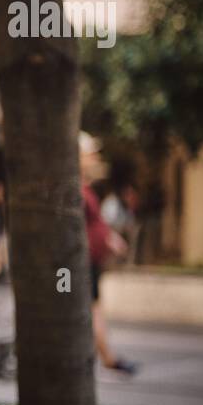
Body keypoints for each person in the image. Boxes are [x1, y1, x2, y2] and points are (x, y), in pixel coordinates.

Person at [80, 134, 138, 376]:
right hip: (80, 263)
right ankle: (107, 358)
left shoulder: (83, 187)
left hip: (88, 261)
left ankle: (104, 356)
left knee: (92, 310)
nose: (96, 158)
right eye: (91, 153)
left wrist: (110, 239)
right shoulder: (74, 188)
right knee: (92, 310)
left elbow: (95, 223)